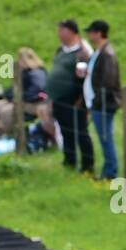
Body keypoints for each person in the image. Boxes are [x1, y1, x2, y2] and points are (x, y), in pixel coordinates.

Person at [46, 19, 95, 174]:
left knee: (80, 132)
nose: (59, 33)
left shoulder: (82, 52)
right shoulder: (61, 50)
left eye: (62, 30)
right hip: (59, 100)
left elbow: (85, 77)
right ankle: (69, 161)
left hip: (75, 101)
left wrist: (80, 100)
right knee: (66, 132)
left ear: (72, 32)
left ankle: (87, 165)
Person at [83, 20, 121, 180]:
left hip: (103, 104)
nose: (89, 35)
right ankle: (108, 171)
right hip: (97, 103)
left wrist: (98, 102)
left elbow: (107, 81)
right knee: (104, 138)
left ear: (99, 33)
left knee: (106, 139)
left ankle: (110, 173)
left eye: (91, 31)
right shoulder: (99, 52)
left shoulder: (107, 54)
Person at [0, 49, 50, 138]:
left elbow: (35, 92)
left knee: (6, 111)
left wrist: (16, 97)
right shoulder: (24, 72)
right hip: (21, 99)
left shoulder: (37, 73)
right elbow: (16, 88)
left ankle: (6, 132)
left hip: (34, 103)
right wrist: (6, 94)